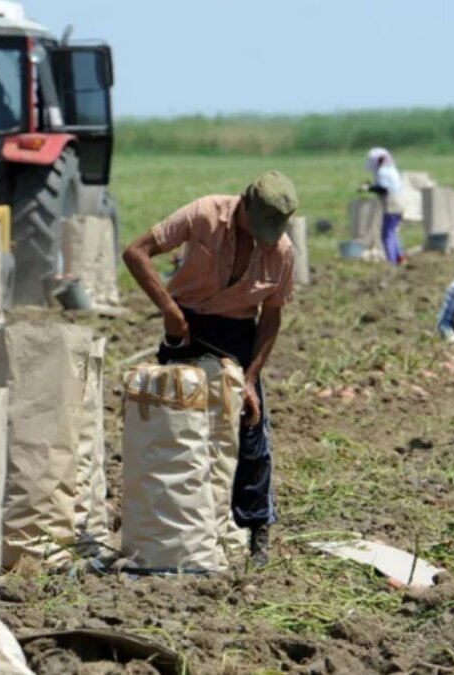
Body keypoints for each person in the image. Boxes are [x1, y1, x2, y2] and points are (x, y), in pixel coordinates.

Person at [122, 171, 298, 566]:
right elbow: (135, 252)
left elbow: (271, 317)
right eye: (257, 227)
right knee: (175, 427)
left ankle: (254, 532)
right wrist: (169, 310)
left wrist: (249, 379)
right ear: (244, 205)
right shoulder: (204, 214)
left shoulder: (281, 250)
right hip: (185, 326)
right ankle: (175, 526)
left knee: (250, 432)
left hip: (238, 335)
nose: (261, 238)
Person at [361, 147, 405, 265]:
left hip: (391, 204)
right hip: (399, 202)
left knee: (387, 234)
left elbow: (384, 189)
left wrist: (368, 188)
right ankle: (399, 256)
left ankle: (392, 261)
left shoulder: (382, 172)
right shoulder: (391, 169)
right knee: (392, 231)